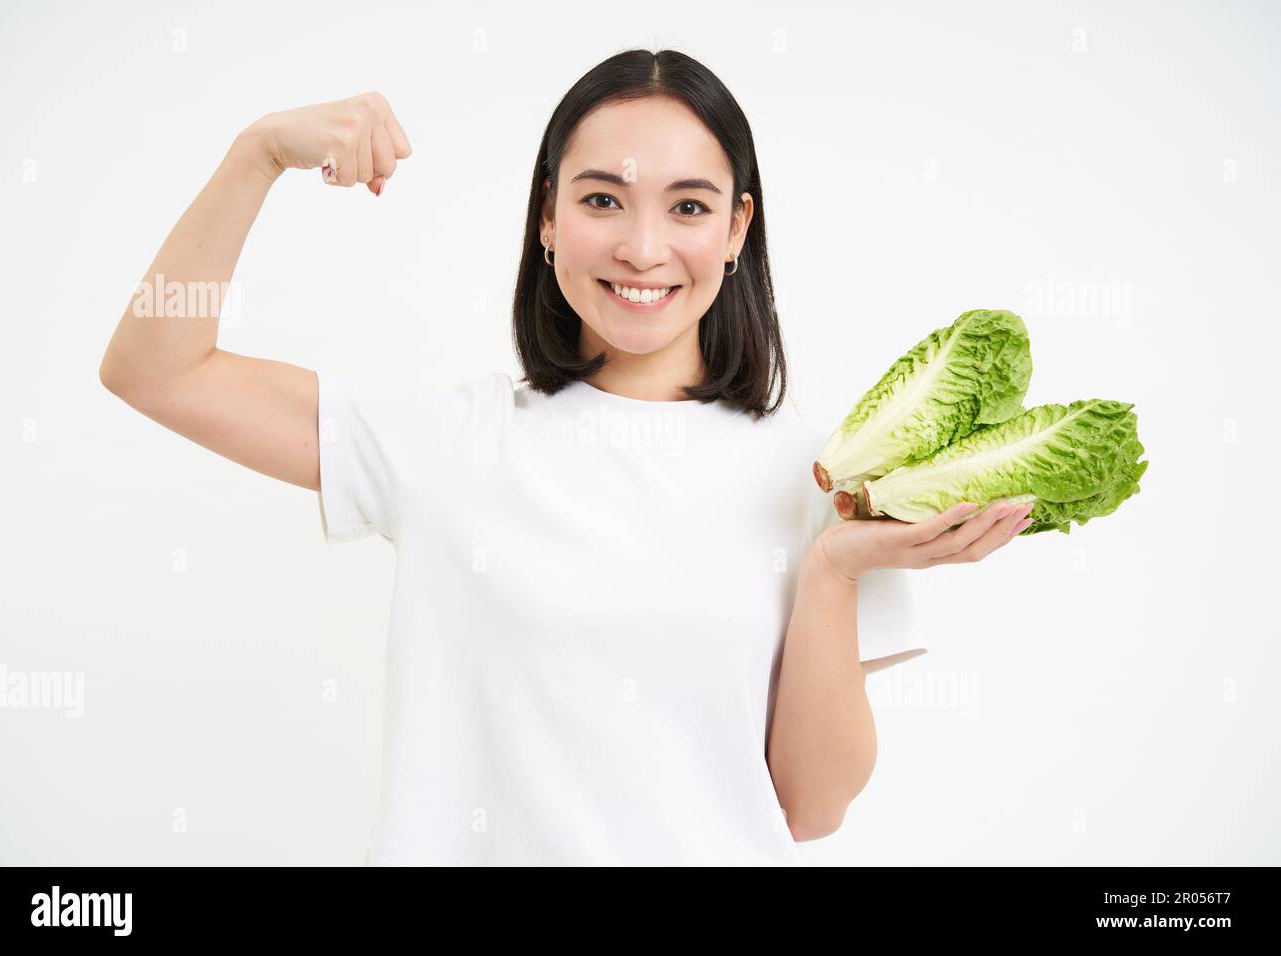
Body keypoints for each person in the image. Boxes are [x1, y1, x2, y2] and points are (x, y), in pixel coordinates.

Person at [98, 49, 1034, 866]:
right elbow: (157, 370)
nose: (642, 247)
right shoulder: (445, 443)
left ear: (738, 230)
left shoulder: (824, 477)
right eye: (600, 200)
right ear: (547, 218)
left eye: (689, 206)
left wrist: (830, 571)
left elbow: (811, 810)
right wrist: (256, 154)